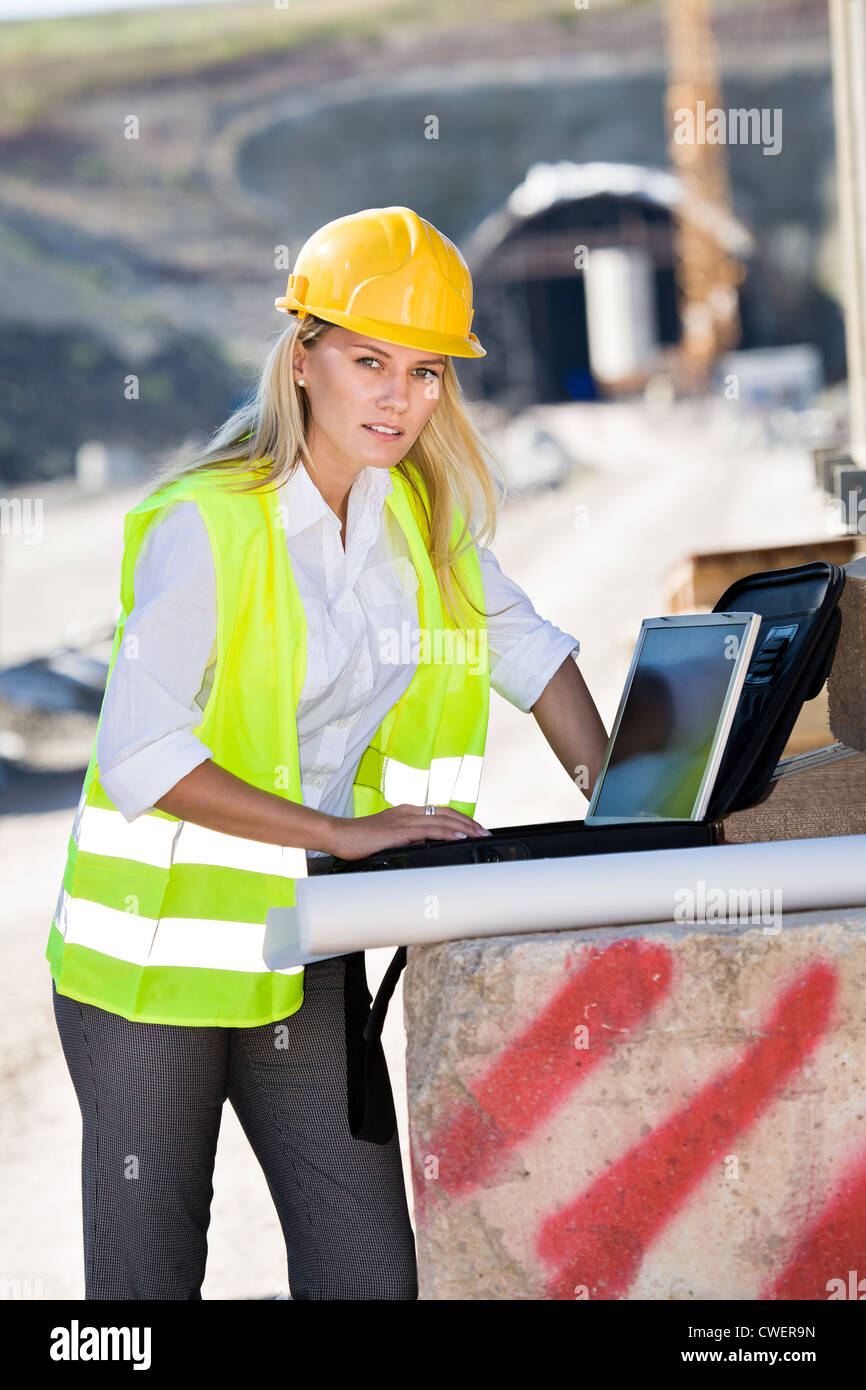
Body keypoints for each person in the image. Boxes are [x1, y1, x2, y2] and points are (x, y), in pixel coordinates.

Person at [46, 206, 609, 1300]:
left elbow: (535, 660)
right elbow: (137, 755)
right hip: (150, 967)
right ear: (302, 359)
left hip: (302, 945)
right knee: (143, 1287)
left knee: (368, 1279)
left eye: (426, 370)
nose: (399, 396)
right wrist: (338, 834)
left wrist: (633, 804)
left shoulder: (422, 529)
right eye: (368, 361)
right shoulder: (205, 527)